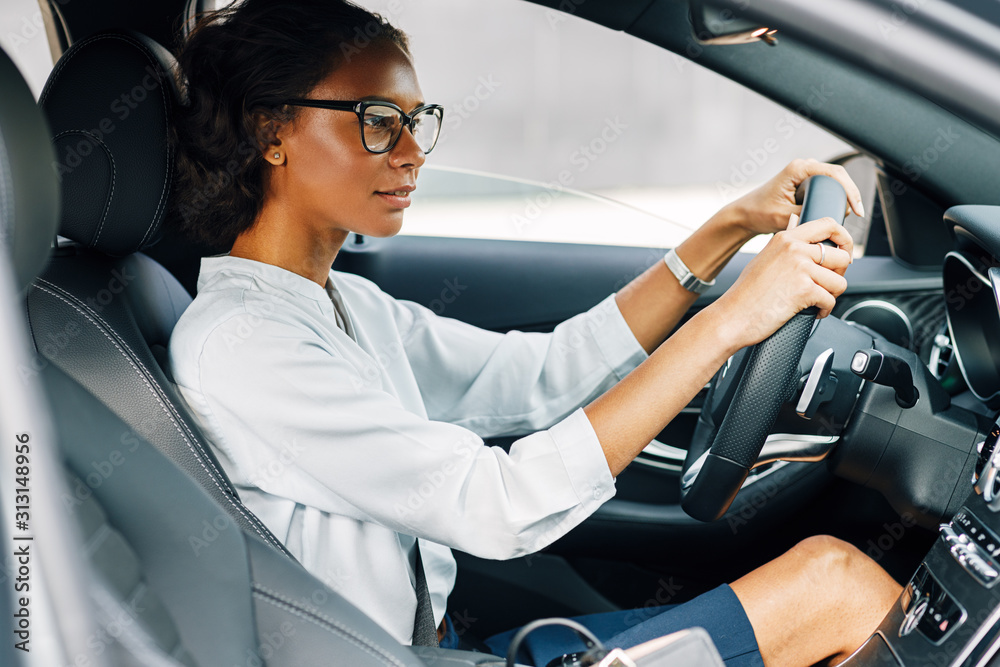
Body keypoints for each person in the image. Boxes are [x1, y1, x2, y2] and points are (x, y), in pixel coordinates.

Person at [166, 1, 901, 665]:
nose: (413, 151)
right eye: (379, 120)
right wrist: (731, 322)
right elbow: (498, 504)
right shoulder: (244, 346)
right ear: (271, 131)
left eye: (418, 120)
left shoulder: (341, 303)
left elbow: (544, 374)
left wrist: (728, 228)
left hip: (447, 651)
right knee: (835, 586)